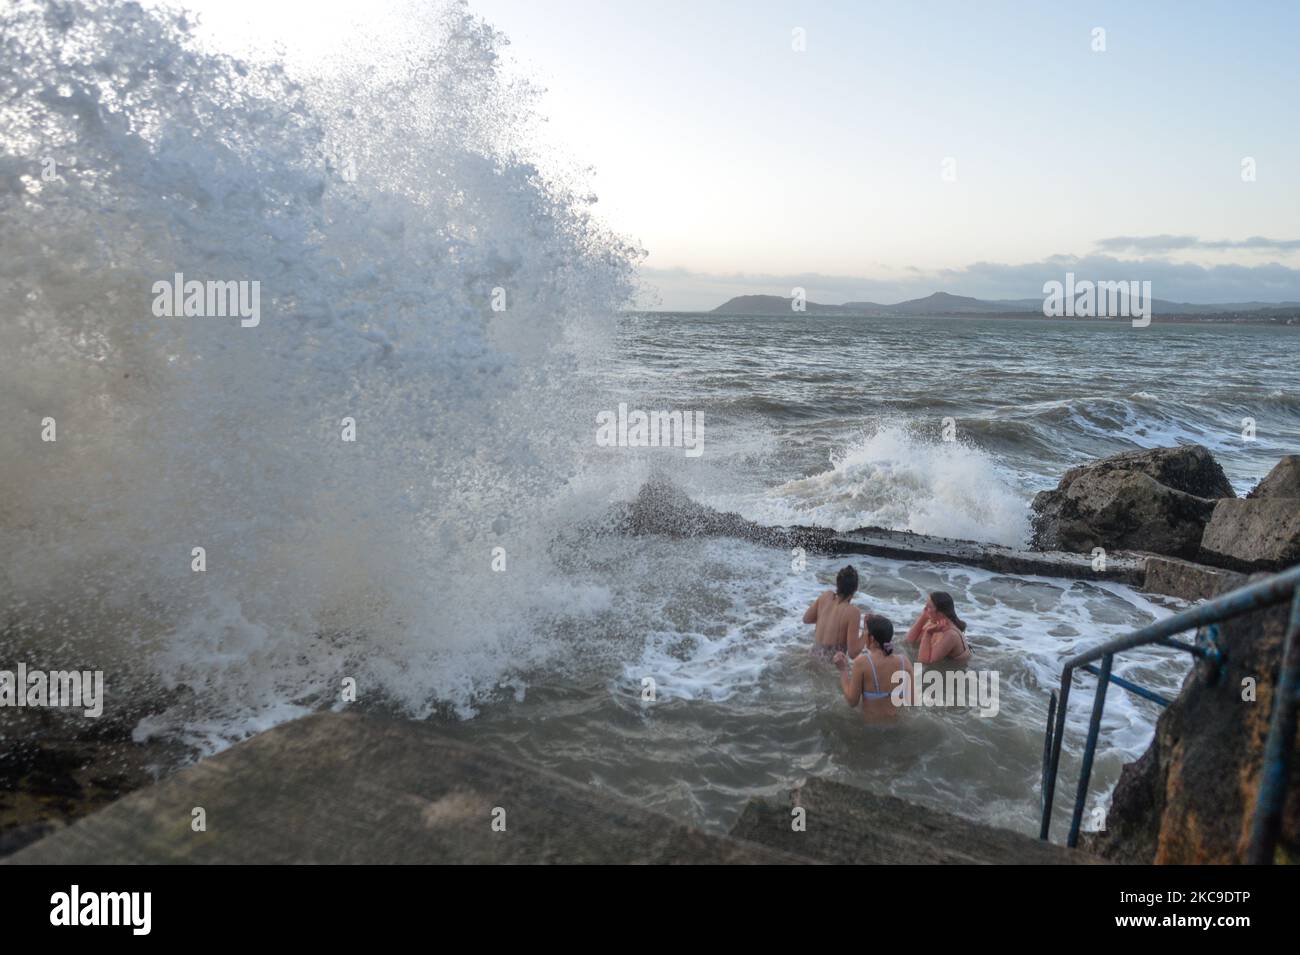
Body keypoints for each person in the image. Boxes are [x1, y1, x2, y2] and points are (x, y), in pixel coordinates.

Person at [833, 614, 910, 721]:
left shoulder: (862, 662)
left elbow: (852, 701)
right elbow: (911, 701)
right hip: (898, 725)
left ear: (872, 638)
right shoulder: (904, 662)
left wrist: (843, 670)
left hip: (872, 727)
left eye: (865, 634)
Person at [803, 565, 861, 660]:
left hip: (812, 656)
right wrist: (866, 633)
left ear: (837, 584)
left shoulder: (826, 596)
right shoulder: (853, 612)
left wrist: (826, 619)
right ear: (855, 588)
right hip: (831, 663)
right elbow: (852, 653)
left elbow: (806, 619)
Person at [905, 591, 971, 665]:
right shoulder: (935, 623)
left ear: (940, 613)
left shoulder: (951, 634)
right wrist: (923, 616)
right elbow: (909, 641)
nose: (925, 608)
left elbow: (924, 662)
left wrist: (928, 634)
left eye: (929, 606)